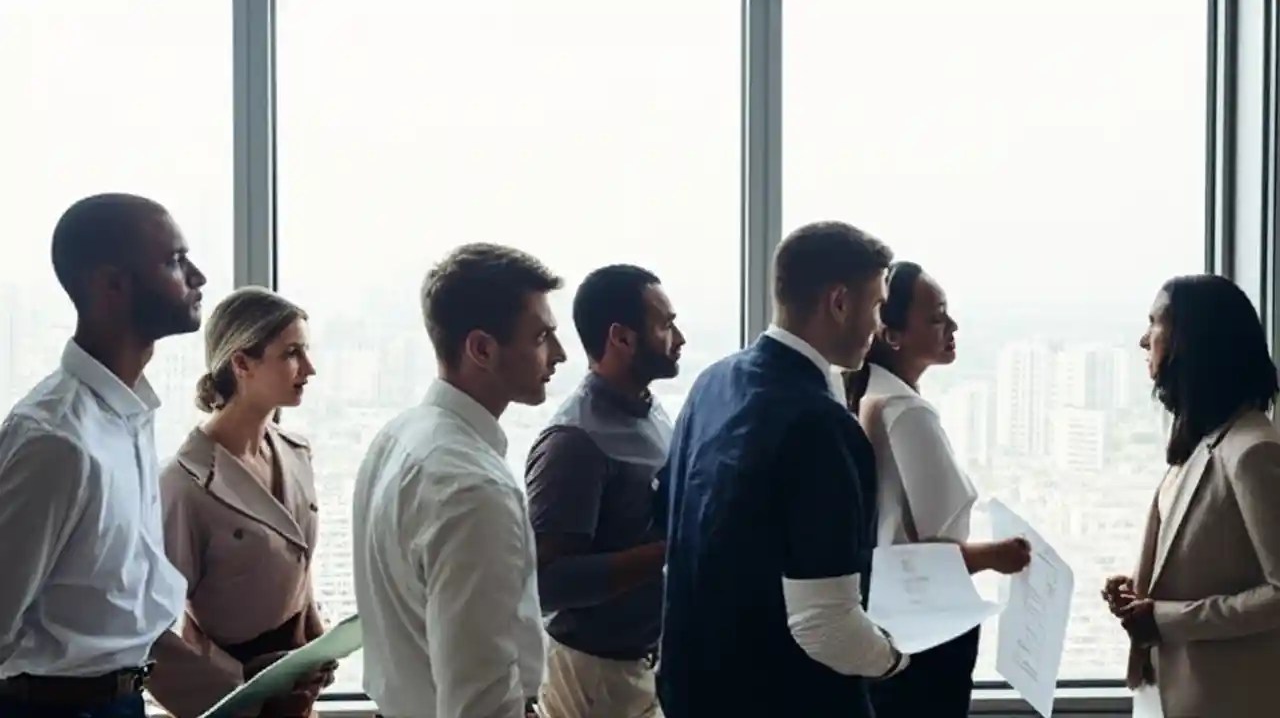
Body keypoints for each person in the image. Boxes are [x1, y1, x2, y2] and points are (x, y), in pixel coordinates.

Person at [655, 221, 908, 718]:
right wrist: (895, 658)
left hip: (695, 690)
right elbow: (825, 625)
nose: (879, 326)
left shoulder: (713, 384)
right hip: (782, 696)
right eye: (877, 306)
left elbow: (673, 530)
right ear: (839, 302)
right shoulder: (819, 424)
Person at [0, 193, 205, 718]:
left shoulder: (128, 416)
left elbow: (120, 611)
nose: (198, 276)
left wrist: (245, 681)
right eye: (175, 262)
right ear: (111, 284)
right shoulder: (54, 439)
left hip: (122, 701)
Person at [352, 243, 566, 718]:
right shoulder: (472, 487)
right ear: (482, 349)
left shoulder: (397, 436)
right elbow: (479, 702)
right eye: (541, 337)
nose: (560, 354)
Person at [843, 261, 1030, 717]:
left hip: (880, 625)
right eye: (937, 317)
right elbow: (932, 548)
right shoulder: (907, 411)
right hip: (925, 634)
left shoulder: (865, 398)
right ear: (893, 334)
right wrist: (999, 555)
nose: (952, 326)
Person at [147, 286, 335, 718]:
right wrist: (245, 680)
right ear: (241, 363)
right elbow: (151, 632)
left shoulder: (297, 453)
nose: (309, 368)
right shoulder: (183, 483)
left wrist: (315, 646)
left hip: (296, 692)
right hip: (233, 699)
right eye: (292, 353)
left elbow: (296, 567)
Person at [1101, 274, 1280, 718]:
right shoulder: (1204, 443)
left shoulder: (1253, 450)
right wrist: (1141, 589)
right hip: (1165, 691)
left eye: (1155, 323)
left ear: (1192, 341)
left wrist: (1163, 617)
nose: (1145, 340)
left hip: (1221, 699)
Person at [526, 265, 683, 717]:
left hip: (643, 665)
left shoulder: (652, 412)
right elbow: (548, 582)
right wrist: (674, 549)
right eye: (666, 325)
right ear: (622, 338)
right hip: (593, 676)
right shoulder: (574, 440)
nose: (679, 338)